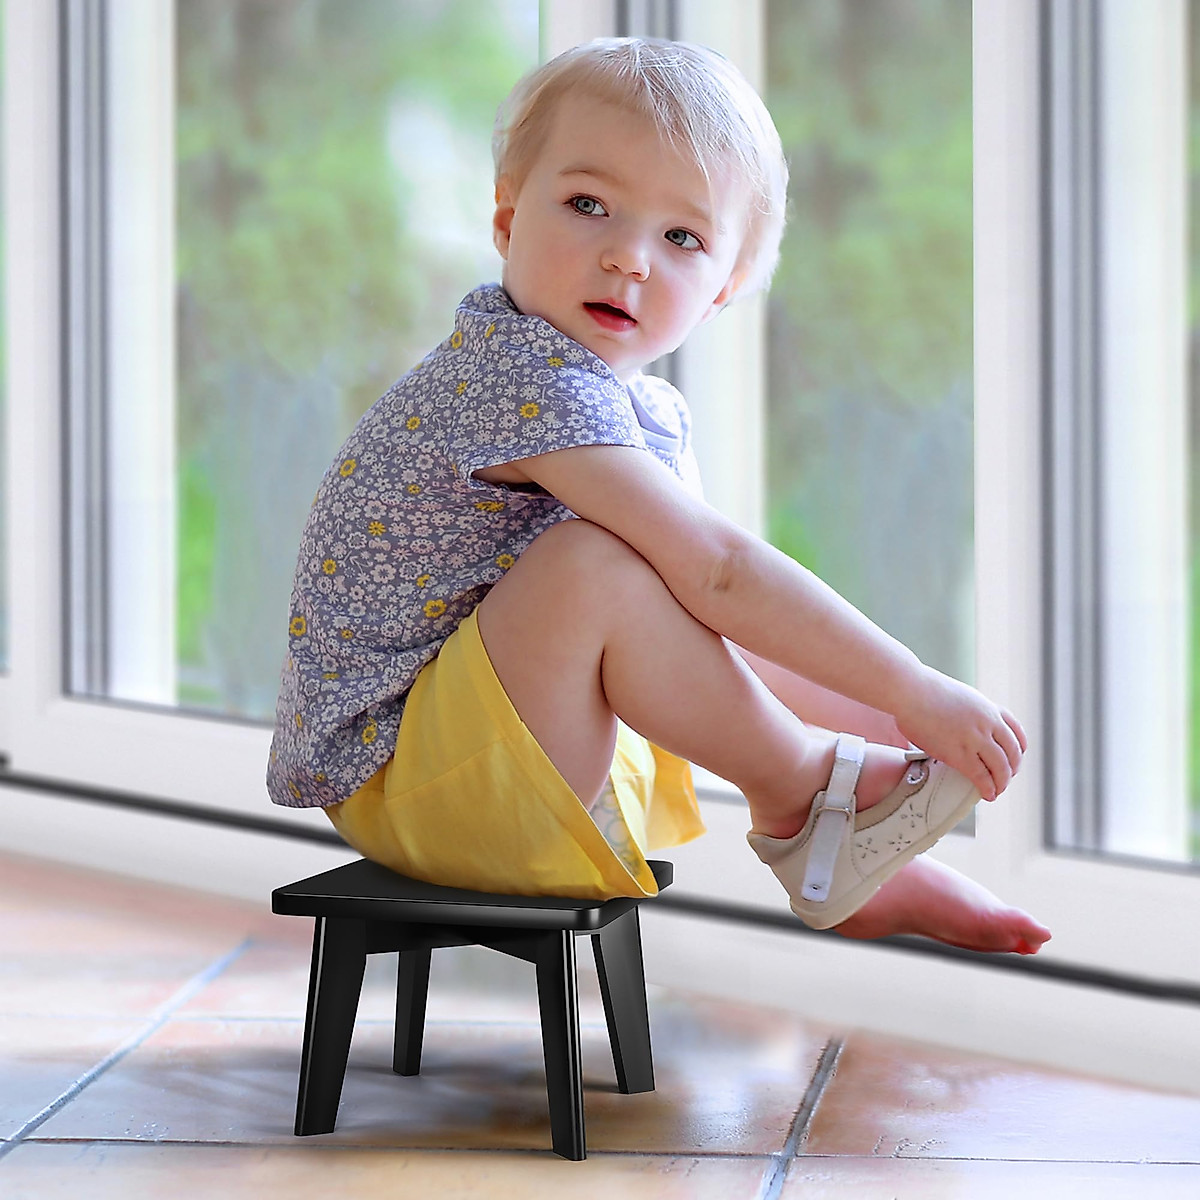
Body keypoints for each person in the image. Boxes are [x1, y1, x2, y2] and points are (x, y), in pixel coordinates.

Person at [267, 37, 1051, 955]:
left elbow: (709, 613)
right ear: (507, 221)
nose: (628, 258)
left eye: (681, 237)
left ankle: (837, 832)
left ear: (721, 294)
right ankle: (807, 796)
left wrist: (889, 717)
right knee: (596, 561)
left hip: (506, 752)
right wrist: (912, 689)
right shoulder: (518, 373)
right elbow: (719, 572)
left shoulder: (641, 412)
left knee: (641, 571)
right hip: (410, 780)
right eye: (587, 205)